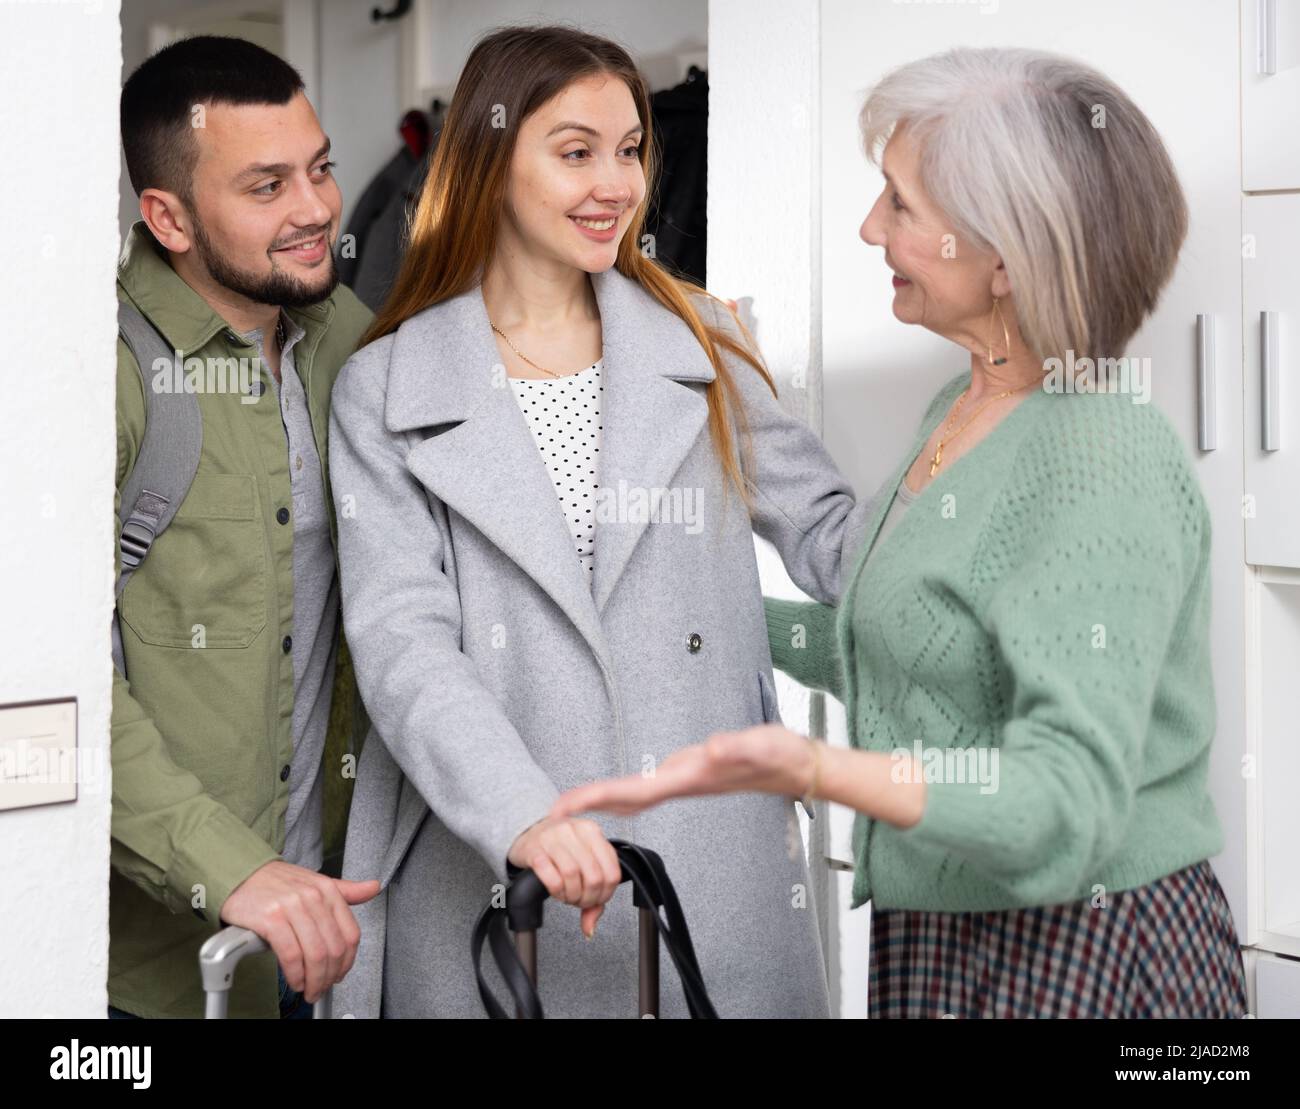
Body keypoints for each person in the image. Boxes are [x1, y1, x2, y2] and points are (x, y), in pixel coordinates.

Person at [554, 46, 1249, 1019]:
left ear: (1003, 253)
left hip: (1078, 949)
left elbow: (1067, 798)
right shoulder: (963, 408)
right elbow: (920, 656)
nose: (868, 226)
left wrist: (812, 766)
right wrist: (690, 609)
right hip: (944, 929)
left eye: (901, 205)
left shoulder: (1098, 453)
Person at [328, 24, 869, 1018]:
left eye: (629, 150)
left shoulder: (701, 336)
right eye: (575, 152)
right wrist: (523, 812)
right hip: (494, 872)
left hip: (708, 866)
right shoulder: (387, 386)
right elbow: (402, 642)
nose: (615, 184)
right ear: (490, 165)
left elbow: (835, 536)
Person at [111, 35, 379, 1019]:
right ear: (168, 216)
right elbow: (49, 682)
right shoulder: (104, 377)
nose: (313, 209)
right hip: (151, 983)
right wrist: (232, 868)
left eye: (318, 168)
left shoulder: (349, 339)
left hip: (328, 945)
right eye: (266, 185)